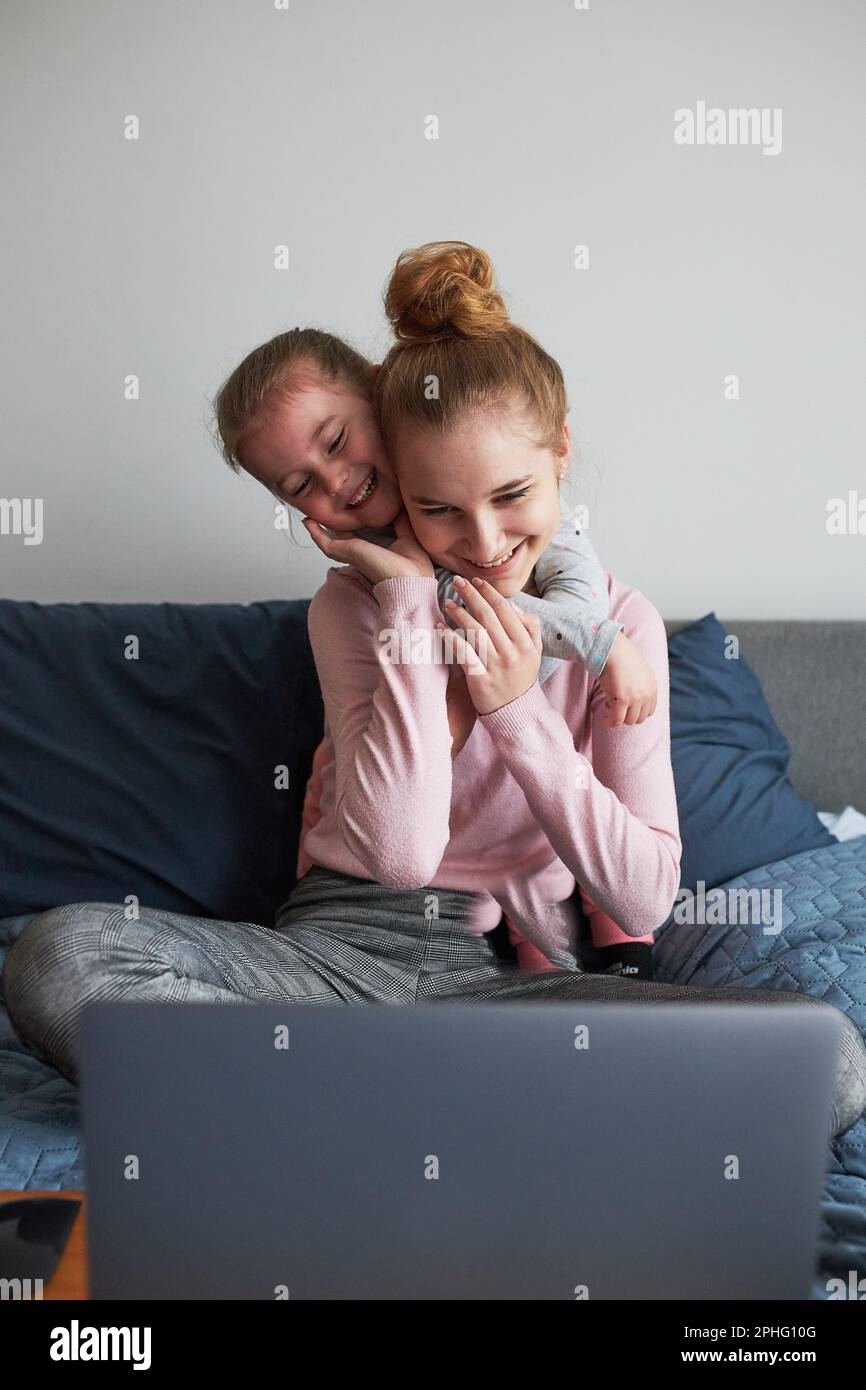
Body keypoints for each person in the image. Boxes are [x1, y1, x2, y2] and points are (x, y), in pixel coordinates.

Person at [4, 241, 864, 1141]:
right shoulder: (349, 609)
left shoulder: (619, 629)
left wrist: (517, 708)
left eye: (510, 496)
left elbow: (644, 900)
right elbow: (406, 852)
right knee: (56, 956)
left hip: (510, 982)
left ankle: (351, 1110)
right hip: (339, 951)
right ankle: (453, 1113)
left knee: (829, 1057)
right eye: (440, 507)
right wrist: (412, 599)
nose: (484, 541)